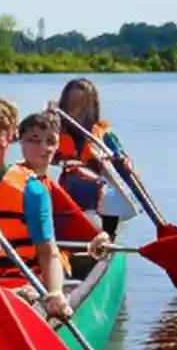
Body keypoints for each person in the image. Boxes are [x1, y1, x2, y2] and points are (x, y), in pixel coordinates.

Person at [0, 95, 73, 320]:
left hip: (20, 290)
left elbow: (48, 252)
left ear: (11, 136)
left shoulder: (31, 190)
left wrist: (55, 293)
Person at [16, 110, 113, 266]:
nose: (44, 147)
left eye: (50, 141)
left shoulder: (51, 183)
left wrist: (100, 238)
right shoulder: (12, 180)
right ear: (20, 142)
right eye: (34, 140)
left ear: (58, 145)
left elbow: (76, 218)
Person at [53, 78, 135, 237]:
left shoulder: (103, 134)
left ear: (92, 107)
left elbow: (121, 155)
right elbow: (45, 155)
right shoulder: (56, 132)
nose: (75, 112)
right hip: (71, 190)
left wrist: (124, 162)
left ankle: (106, 240)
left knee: (107, 199)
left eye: (81, 106)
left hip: (102, 191)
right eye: (71, 105)